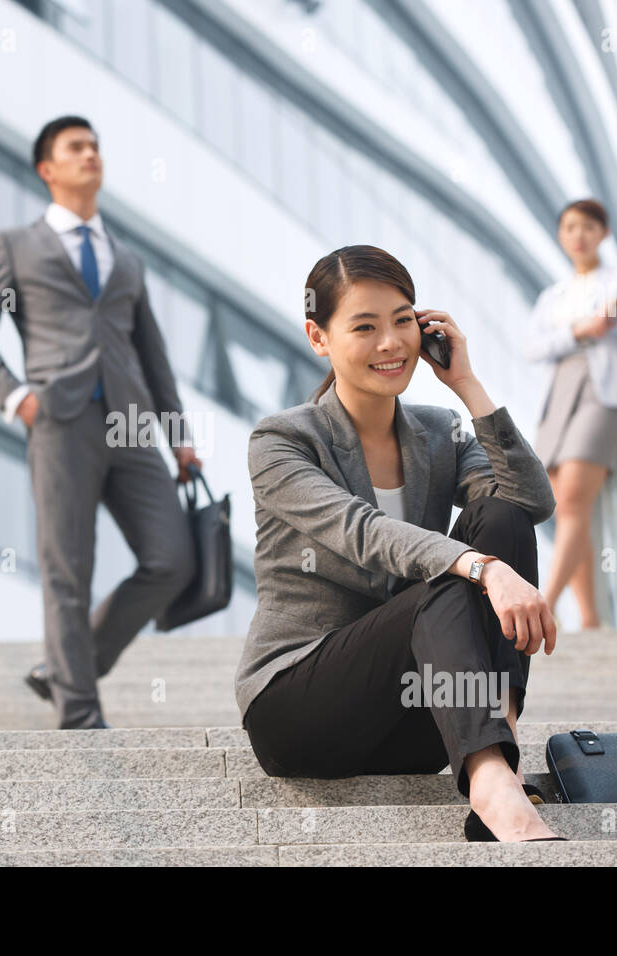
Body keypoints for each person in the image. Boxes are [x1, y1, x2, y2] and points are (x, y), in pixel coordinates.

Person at [236, 245, 566, 842]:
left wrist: (466, 385)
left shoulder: (439, 433)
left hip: (418, 712)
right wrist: (480, 569)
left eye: (403, 320)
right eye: (364, 326)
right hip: (302, 709)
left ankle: (498, 757)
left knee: (503, 517)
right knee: (453, 576)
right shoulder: (281, 440)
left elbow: (533, 503)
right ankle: (498, 795)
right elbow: (361, 531)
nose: (391, 343)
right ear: (319, 337)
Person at [0, 116, 199, 730]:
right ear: (48, 169)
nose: (90, 154)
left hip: (131, 425)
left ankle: (68, 667)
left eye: (95, 145)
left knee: (172, 558)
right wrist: (15, 398)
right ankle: (79, 714)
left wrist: (180, 436)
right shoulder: (14, 243)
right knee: (69, 568)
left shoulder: (126, 258)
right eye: (76, 147)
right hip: (58, 420)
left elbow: (153, 354)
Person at [523, 198, 617, 631]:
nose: (579, 235)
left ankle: (549, 602)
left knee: (575, 495)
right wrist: (580, 329)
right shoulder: (553, 295)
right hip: (560, 390)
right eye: (571, 227)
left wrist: (608, 315)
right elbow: (533, 347)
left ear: (603, 233)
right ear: (561, 235)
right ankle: (591, 618)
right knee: (565, 506)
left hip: (603, 388)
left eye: (588, 227)